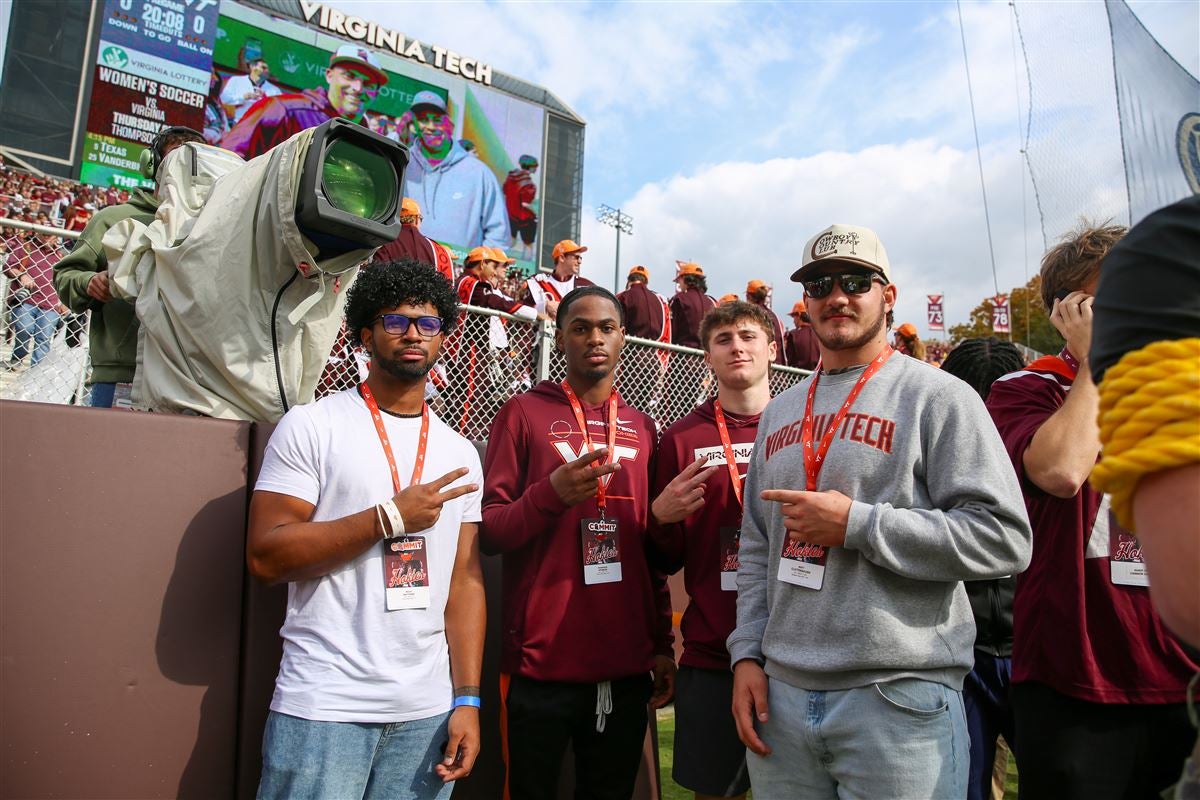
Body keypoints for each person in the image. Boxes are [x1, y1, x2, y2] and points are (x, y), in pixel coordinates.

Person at [729, 222, 1032, 799]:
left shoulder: (939, 397)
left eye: (855, 280)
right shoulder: (779, 410)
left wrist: (859, 525)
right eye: (819, 284)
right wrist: (747, 655)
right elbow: (756, 548)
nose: (836, 295)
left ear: (887, 295)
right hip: (782, 695)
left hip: (899, 695)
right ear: (805, 302)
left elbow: (1003, 537)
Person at [246, 259, 485, 799]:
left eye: (428, 323)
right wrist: (390, 517)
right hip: (324, 705)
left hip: (426, 713)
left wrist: (466, 699)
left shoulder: (460, 451)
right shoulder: (313, 425)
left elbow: (465, 583)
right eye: (395, 321)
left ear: (443, 338)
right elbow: (266, 556)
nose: (413, 334)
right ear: (364, 334)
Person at [985, 223, 1198, 800]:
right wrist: (1097, 363)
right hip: (1074, 675)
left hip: (1184, 671)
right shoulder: (1023, 388)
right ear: (1067, 311)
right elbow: (1060, 470)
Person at [480, 286, 675, 800]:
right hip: (540, 664)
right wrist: (551, 495)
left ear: (623, 338)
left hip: (624, 664)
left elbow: (647, 555)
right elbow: (493, 530)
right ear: (560, 336)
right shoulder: (522, 413)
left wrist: (659, 644)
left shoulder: (641, 426)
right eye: (581, 327)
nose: (595, 338)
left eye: (606, 328)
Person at [650, 300, 776, 800]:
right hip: (713, 650)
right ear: (707, 356)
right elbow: (664, 559)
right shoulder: (682, 437)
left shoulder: (804, 428)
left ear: (771, 348)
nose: (737, 347)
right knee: (716, 793)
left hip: (797, 649)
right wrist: (659, 518)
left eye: (747, 336)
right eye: (723, 340)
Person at [52, 127, 205, 405]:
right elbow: (65, 276)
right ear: (152, 166)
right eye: (173, 159)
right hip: (123, 375)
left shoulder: (211, 226)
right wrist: (89, 283)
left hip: (190, 381)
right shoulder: (114, 218)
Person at [940, 337, 1027, 800]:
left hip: (1034, 651)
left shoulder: (1041, 448)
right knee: (966, 785)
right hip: (960, 652)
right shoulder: (936, 445)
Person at [222, 45, 387, 160]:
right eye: (349, 76)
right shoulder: (282, 110)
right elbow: (226, 161)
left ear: (377, 93)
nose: (358, 88)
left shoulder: (369, 142)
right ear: (329, 75)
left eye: (368, 84)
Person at [446, 247, 538, 437]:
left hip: (469, 347)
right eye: (493, 264)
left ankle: (463, 434)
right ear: (482, 264)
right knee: (469, 396)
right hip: (468, 347)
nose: (496, 269)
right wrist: (535, 314)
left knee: (472, 396)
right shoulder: (471, 283)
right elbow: (496, 301)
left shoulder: (470, 281)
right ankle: (461, 437)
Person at [402, 91, 507, 250]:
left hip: (456, 270)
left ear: (449, 124)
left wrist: (473, 269)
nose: (431, 127)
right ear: (414, 125)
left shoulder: (480, 173)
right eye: (423, 120)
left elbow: (498, 236)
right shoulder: (401, 163)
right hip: (403, 267)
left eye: (437, 120)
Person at [3, 231, 67, 369]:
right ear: (38, 234)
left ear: (56, 237)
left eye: (50, 235)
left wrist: (64, 302)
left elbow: (67, 280)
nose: (47, 237)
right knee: (24, 328)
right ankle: (17, 357)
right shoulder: (26, 248)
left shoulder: (61, 256)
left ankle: (37, 370)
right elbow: (8, 266)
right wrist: (21, 275)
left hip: (50, 304)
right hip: (26, 300)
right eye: (44, 234)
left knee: (44, 337)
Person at [616, 264, 671, 414]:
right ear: (646, 281)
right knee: (644, 407)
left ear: (629, 280)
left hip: (631, 355)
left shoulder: (624, 296)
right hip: (653, 358)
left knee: (626, 405)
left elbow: (616, 325)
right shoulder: (659, 299)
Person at [372, 197, 454, 284]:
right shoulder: (438, 251)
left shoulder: (382, 240)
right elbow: (447, 290)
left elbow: (376, 279)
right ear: (416, 219)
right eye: (420, 219)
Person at [521, 239, 594, 322]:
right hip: (543, 334)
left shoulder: (586, 285)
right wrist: (544, 306)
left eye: (580, 258)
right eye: (576, 257)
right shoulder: (537, 281)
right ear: (562, 258)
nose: (580, 261)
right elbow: (521, 307)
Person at [219, 58, 282, 124]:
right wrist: (243, 97)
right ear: (252, 67)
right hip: (238, 123)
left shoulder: (275, 90)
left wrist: (265, 99)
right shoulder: (236, 80)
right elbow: (224, 99)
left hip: (261, 126)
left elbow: (280, 111)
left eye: (267, 69)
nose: (267, 71)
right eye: (263, 67)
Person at [503, 154, 539, 261]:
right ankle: (526, 267)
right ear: (531, 167)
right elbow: (525, 203)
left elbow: (505, 190)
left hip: (511, 216)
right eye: (535, 166)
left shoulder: (510, 178)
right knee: (528, 245)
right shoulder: (529, 184)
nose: (536, 168)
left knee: (511, 241)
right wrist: (536, 212)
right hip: (526, 219)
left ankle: (502, 260)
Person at [744, 280, 786, 365]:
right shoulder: (774, 316)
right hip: (779, 368)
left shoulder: (749, 314)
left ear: (748, 296)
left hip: (761, 366)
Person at [783, 300, 820, 370]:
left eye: (793, 316)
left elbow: (787, 360)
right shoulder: (821, 334)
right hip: (820, 377)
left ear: (799, 315)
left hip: (797, 378)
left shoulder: (792, 335)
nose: (793, 321)